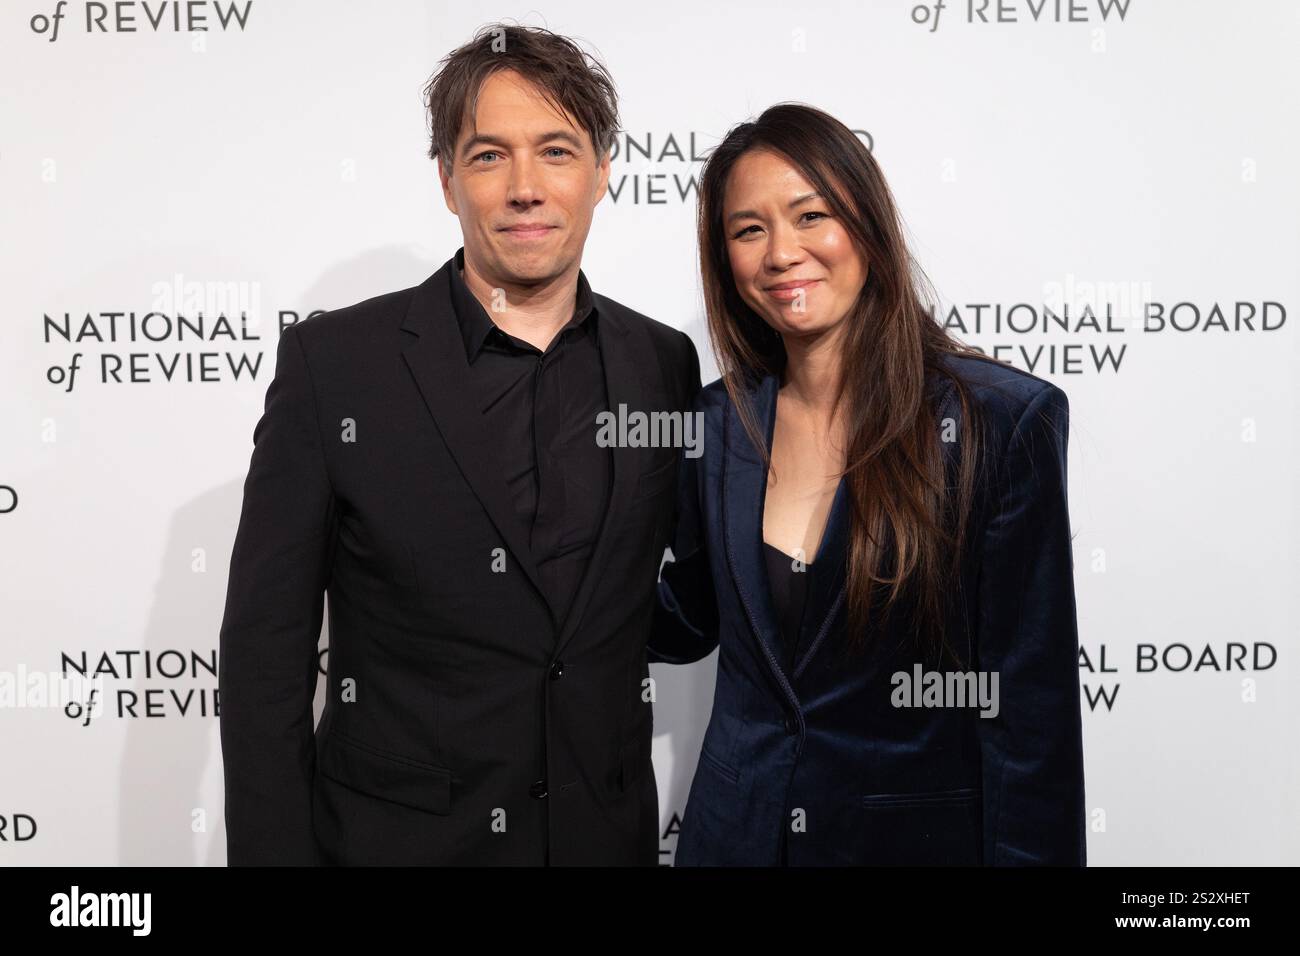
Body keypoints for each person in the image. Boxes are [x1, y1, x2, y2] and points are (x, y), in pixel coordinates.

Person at [219, 23, 700, 866]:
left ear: (602, 173)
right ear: (447, 180)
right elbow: (265, 656)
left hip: (603, 842)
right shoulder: (337, 367)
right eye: (488, 156)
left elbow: (656, 602)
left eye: (556, 151)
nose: (525, 187)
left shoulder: (661, 363)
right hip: (397, 844)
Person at [651, 103, 1086, 866]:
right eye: (748, 230)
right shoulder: (716, 423)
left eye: (810, 215)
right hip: (734, 839)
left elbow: (1030, 718)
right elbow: (684, 622)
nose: (781, 253)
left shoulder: (999, 423)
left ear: (867, 225)